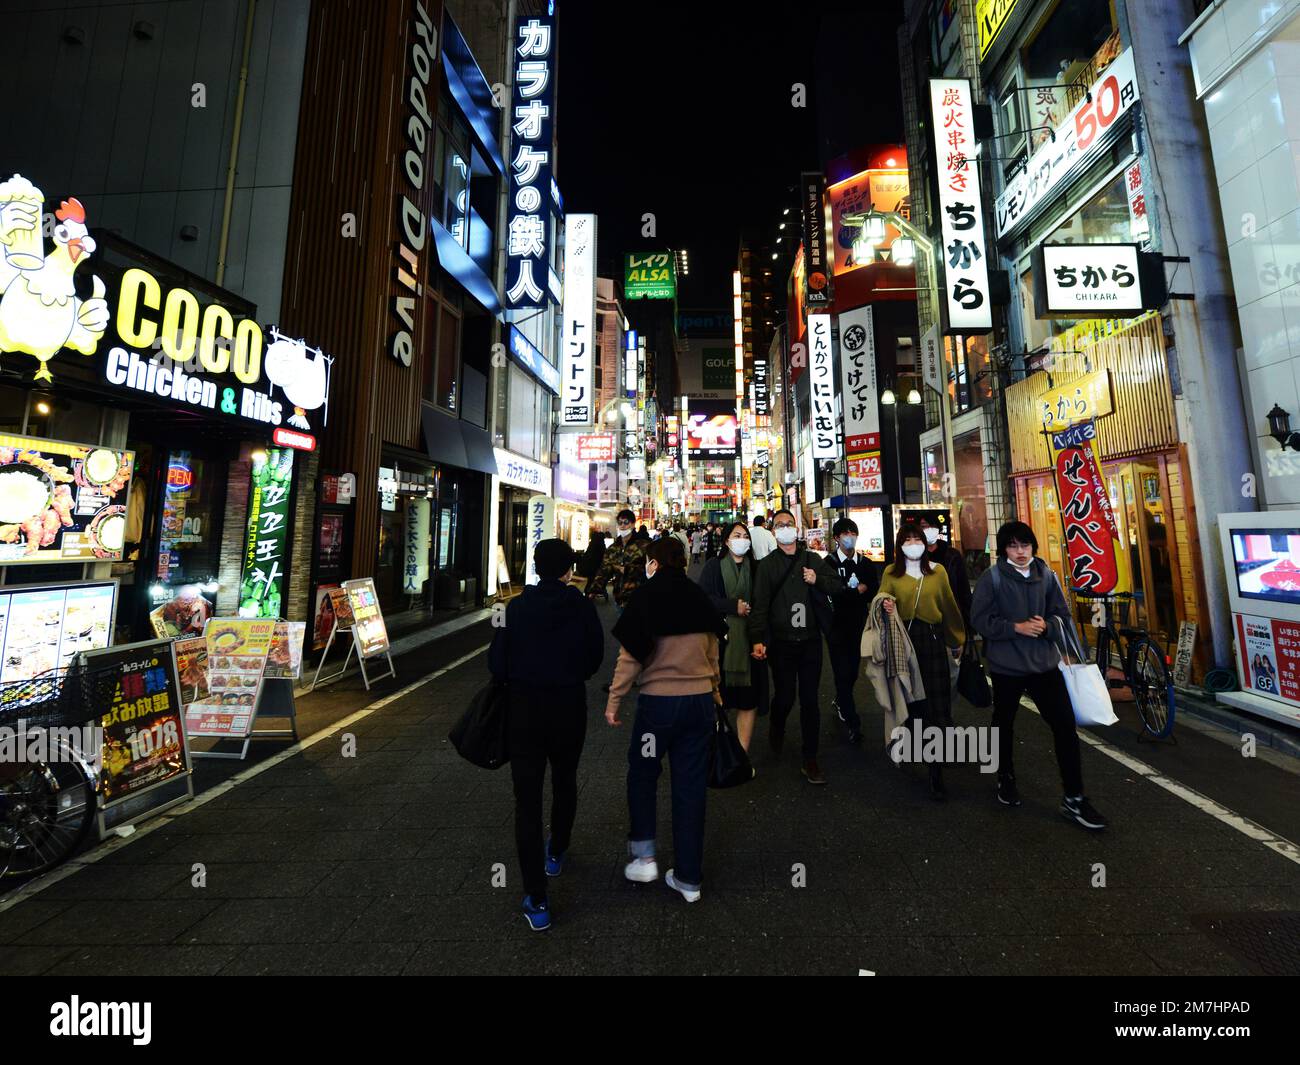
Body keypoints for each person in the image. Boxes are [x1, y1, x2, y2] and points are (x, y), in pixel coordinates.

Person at [488, 538, 605, 931]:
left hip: (524, 710)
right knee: (565, 778)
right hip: (568, 706)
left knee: (527, 799)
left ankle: (536, 898)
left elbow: (496, 663)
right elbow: (594, 658)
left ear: (536, 568)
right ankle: (557, 850)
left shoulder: (514, 608)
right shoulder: (581, 606)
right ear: (569, 570)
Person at [606, 536, 728, 903]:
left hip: (658, 708)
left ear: (654, 563)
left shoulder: (646, 597)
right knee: (691, 787)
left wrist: (615, 700)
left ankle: (644, 857)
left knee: (643, 774)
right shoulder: (697, 597)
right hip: (698, 705)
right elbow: (713, 654)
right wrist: (716, 694)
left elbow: (630, 656)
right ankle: (689, 879)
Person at [971, 521, 1108, 829]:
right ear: (1004, 549)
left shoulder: (1046, 575)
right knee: (1003, 724)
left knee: (1064, 727)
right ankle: (1004, 776)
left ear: (1033, 546)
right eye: (1014, 546)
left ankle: (1074, 797)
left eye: (1025, 546)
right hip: (1007, 667)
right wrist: (1014, 628)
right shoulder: (991, 579)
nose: (1020, 552)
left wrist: (1047, 626)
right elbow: (979, 619)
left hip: (1045, 665)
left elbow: (1062, 614)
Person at [748, 509, 844, 785]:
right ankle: (777, 727)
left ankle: (810, 757)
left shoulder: (813, 559)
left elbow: (836, 586)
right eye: (780, 525)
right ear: (773, 531)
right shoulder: (766, 566)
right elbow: (760, 605)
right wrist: (758, 638)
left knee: (810, 700)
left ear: (797, 529)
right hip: (781, 643)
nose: (786, 528)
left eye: (789, 524)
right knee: (785, 696)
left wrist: (818, 579)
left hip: (811, 642)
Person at [879, 523, 965, 799]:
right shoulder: (891, 573)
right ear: (899, 545)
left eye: (917, 538)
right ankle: (911, 744)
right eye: (908, 539)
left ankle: (936, 771)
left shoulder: (937, 572)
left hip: (932, 640)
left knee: (937, 707)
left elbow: (949, 606)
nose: (913, 543)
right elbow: (880, 604)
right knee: (912, 703)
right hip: (904, 642)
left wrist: (957, 641)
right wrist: (886, 606)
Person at [697, 521, 767, 755]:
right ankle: (718, 748)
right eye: (737, 535)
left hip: (751, 641)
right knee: (719, 700)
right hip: (721, 644)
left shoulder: (756, 568)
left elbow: (762, 604)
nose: (742, 539)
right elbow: (703, 599)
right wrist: (731, 606)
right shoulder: (713, 567)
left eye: (745, 535)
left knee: (749, 702)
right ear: (726, 541)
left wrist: (760, 638)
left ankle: (742, 753)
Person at [825, 517, 881, 745]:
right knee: (842, 672)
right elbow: (831, 592)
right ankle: (852, 721)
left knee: (853, 671)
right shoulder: (828, 564)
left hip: (860, 626)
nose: (850, 537)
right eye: (845, 533)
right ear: (836, 538)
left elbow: (872, 591)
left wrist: (854, 592)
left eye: (853, 532)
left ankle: (841, 701)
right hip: (836, 627)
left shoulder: (866, 563)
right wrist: (854, 591)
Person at [587, 509, 648, 610]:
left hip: (639, 598)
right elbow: (604, 570)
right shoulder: (613, 548)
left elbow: (650, 569)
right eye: (620, 523)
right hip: (619, 598)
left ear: (633, 525)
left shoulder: (643, 546)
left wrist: (627, 569)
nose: (622, 526)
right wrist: (594, 590)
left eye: (626, 522)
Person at [919, 516, 972, 626]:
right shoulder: (915, 556)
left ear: (938, 529)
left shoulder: (953, 555)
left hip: (952, 611)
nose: (928, 529)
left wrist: (968, 618)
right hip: (925, 614)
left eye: (932, 526)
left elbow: (964, 588)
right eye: (924, 526)